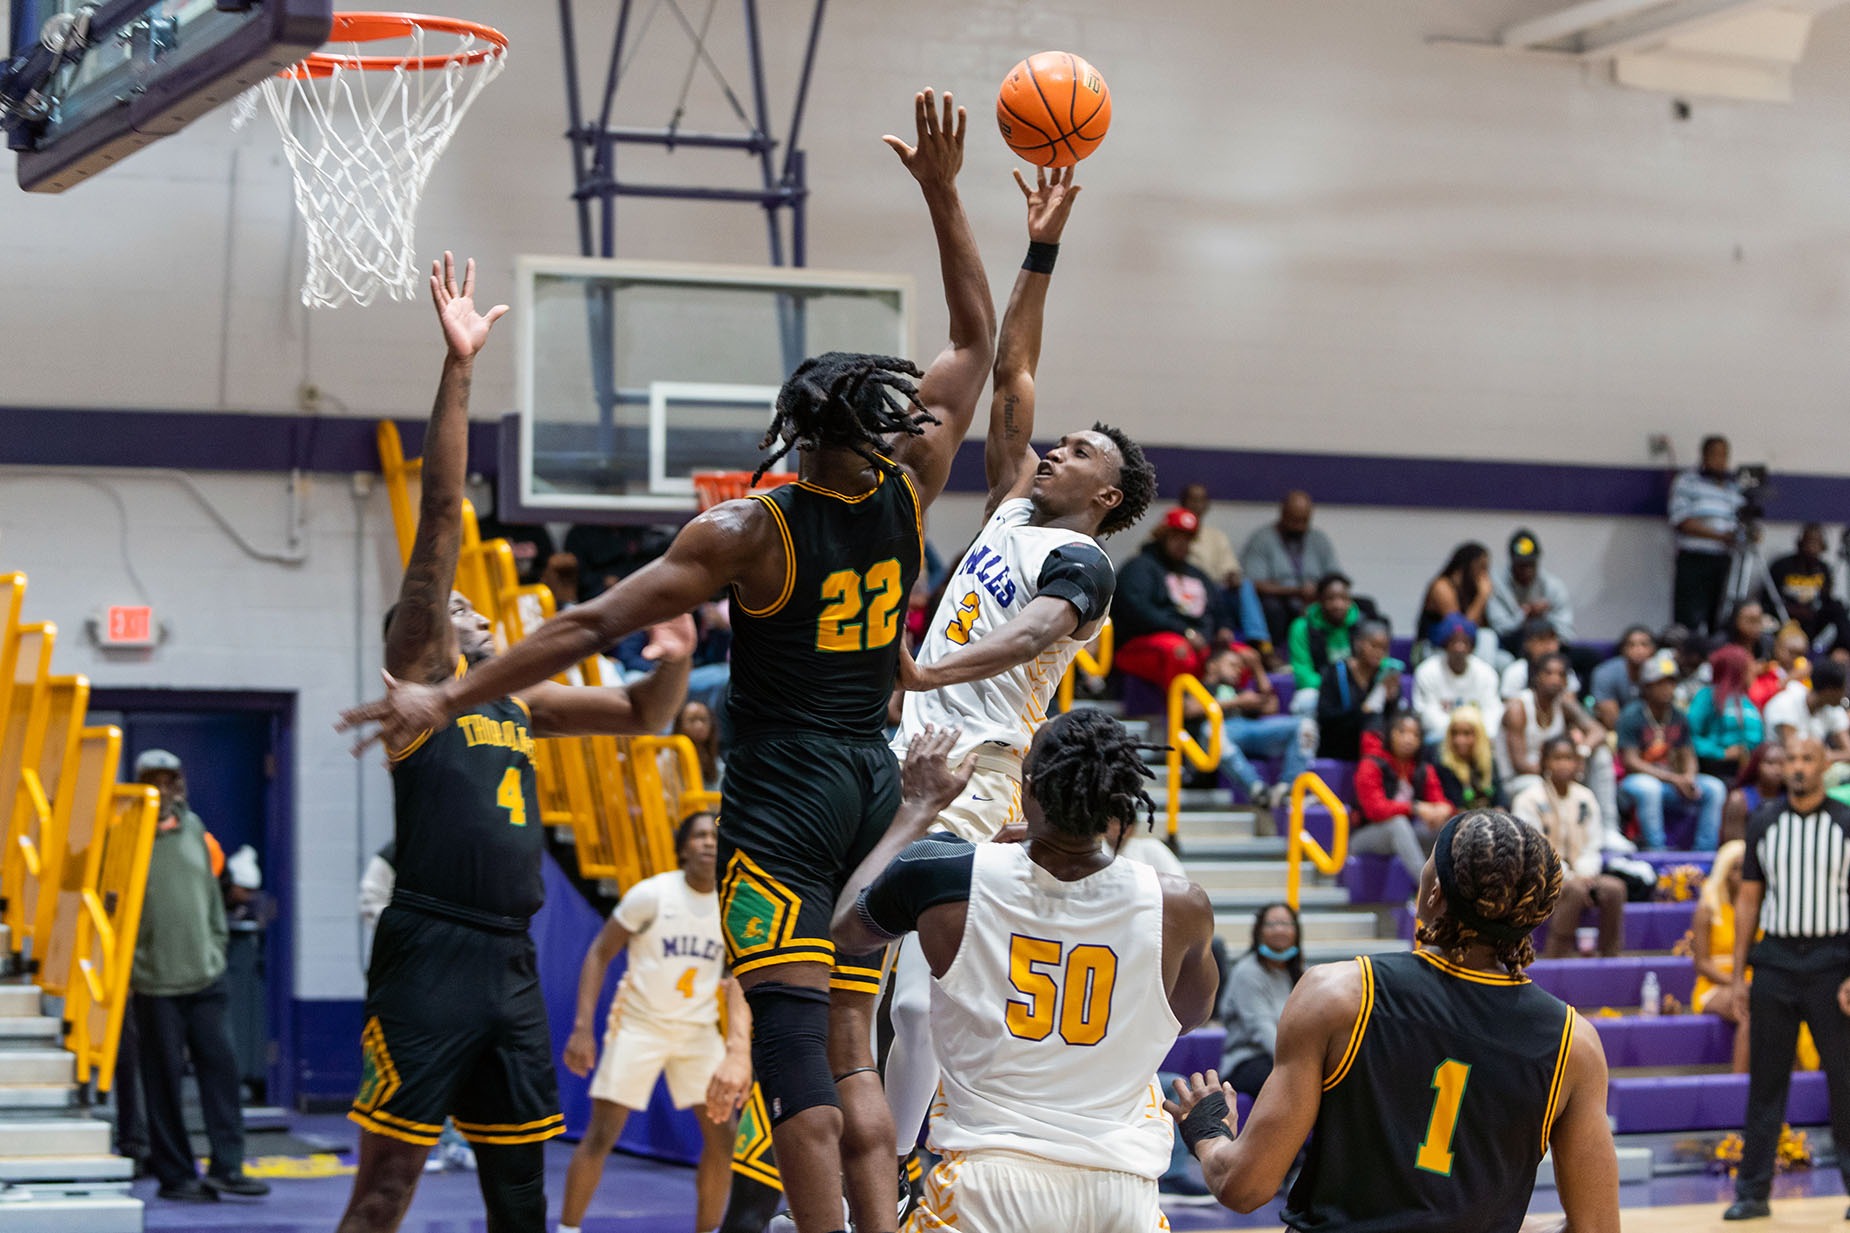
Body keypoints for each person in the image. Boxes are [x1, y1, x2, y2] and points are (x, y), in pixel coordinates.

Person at [340, 93, 995, 1233]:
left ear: (795, 429)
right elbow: (974, 342)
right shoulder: (911, 482)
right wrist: (944, 194)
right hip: (875, 780)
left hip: (786, 791)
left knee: (791, 1043)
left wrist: (447, 689)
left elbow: (588, 627)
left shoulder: (747, 529)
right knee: (854, 1038)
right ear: (879, 426)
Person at [330, 256, 695, 1233]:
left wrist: (672, 655)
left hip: (510, 960)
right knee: (384, 1192)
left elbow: (646, 720)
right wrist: (459, 371)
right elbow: (443, 519)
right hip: (430, 947)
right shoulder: (422, 687)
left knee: (519, 1199)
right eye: (445, 602)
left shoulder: (517, 705)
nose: (460, 601)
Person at [886, 161, 1150, 1209]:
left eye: (1077, 449)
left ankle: (901, 1165)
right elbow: (1014, 371)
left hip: (976, 775)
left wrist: (924, 666)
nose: (1054, 448)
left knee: (914, 1008)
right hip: (903, 742)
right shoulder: (1009, 503)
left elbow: (1029, 634)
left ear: (1108, 491)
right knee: (841, 954)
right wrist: (1039, 245)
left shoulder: (1080, 567)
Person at [829, 714, 1219, 1233]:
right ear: (1119, 801)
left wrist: (916, 811)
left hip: (989, 1180)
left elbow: (845, 930)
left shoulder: (948, 875)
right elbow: (1187, 1016)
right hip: (1123, 1190)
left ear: (1027, 788)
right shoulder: (1181, 906)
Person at [1166, 809, 1620, 1233]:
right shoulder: (1573, 1044)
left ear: (1435, 891)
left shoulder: (1339, 994)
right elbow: (1597, 1228)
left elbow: (1244, 1187)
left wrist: (1208, 1133)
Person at [558, 814, 750, 1233]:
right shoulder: (652, 894)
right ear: (683, 847)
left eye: (714, 836)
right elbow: (599, 953)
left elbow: (738, 976)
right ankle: (569, 1228)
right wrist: (582, 1027)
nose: (707, 843)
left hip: (697, 1032)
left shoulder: (730, 903)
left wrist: (740, 1048)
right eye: (698, 836)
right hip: (640, 1025)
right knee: (602, 1132)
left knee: (723, 1138)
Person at [127, 749, 268, 1203]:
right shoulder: (123, 835)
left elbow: (215, 896)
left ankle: (228, 1166)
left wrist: (216, 946)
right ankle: (176, 1176)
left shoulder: (197, 831)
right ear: (140, 784)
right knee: (163, 1081)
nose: (164, 789)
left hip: (206, 976)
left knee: (221, 1074)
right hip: (153, 983)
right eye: (154, 780)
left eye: (171, 780)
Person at [1720, 737, 1850, 1222]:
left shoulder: (1845, 822)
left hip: (1833, 964)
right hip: (1774, 963)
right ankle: (1752, 1193)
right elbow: (1749, 900)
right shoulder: (1763, 822)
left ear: (1824, 767)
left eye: (1806, 759)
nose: (1796, 767)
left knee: (1846, 1081)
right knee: (1766, 1084)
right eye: (1790, 759)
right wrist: (1738, 976)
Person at [1512, 738, 1624, 958]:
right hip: (1542, 877)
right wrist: (1569, 876)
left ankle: (1610, 955)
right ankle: (1556, 957)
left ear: (1577, 763)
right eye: (1557, 758)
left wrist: (1584, 871)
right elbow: (1532, 850)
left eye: (1569, 758)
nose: (1563, 764)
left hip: (1583, 874)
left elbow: (1594, 843)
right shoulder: (1528, 799)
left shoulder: (1586, 797)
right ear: (1545, 763)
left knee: (1614, 889)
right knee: (1574, 890)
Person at [1617, 652, 1725, 851]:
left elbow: (1688, 754)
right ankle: (1657, 849)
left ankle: (1704, 851)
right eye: (1661, 683)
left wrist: (1689, 777)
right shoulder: (1632, 715)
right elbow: (1631, 762)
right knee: (1649, 788)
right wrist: (1674, 779)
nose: (1668, 689)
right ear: (1647, 687)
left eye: (1671, 683)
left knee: (1715, 788)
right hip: (1637, 782)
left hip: (1673, 782)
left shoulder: (1678, 716)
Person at [1112, 507, 1225, 693]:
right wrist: (1185, 632)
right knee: (1177, 650)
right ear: (1162, 536)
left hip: (1194, 639)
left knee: (1241, 655)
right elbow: (1138, 612)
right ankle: (1181, 709)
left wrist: (1213, 633)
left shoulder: (1197, 574)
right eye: (1176, 536)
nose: (1182, 543)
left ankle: (1224, 707)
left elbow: (1216, 611)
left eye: (1187, 538)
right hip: (1141, 643)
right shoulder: (1139, 567)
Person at [1501, 651, 1615, 827]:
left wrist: (1581, 752)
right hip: (1520, 779)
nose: (1555, 679)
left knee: (1601, 755)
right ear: (1536, 677)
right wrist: (1561, 771)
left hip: (1555, 773)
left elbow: (1598, 731)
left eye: (1561, 675)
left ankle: (1609, 828)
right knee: (1537, 787)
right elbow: (1520, 764)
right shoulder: (1518, 707)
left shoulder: (1563, 704)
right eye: (1548, 673)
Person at [1202, 644, 1314, 808]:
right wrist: (1238, 702)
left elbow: (1271, 706)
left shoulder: (1238, 690)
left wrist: (1257, 667)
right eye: (1232, 665)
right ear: (1212, 666)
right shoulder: (1193, 685)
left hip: (1248, 729)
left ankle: (1288, 790)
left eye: (1240, 667)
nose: (1238, 670)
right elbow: (1189, 708)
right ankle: (1258, 790)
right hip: (1221, 732)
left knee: (1305, 725)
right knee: (1210, 730)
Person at [1352, 714, 1450, 883]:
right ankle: (1428, 887)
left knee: (1449, 827)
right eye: (1402, 732)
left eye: (1415, 735)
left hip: (1406, 835)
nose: (1409, 739)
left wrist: (1443, 810)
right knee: (1398, 823)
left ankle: (1459, 886)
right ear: (1390, 734)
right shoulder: (1371, 764)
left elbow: (1439, 802)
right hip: (1364, 837)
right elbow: (1375, 810)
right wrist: (1414, 808)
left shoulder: (1422, 769)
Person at [1218, 904, 1303, 1098]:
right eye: (1272, 924)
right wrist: (1299, 1065)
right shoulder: (1247, 972)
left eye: (1285, 924)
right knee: (1287, 1081)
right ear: (1259, 931)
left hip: (1287, 1058)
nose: (1279, 930)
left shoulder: (1298, 973)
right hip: (1248, 1061)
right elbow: (1262, 1029)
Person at [1242, 490, 1343, 647]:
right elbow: (1253, 583)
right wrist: (1297, 591)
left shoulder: (1318, 539)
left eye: (1304, 521)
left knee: (1362, 606)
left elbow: (1336, 577)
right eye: (1294, 520)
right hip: (1280, 600)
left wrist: (1319, 594)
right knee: (1273, 608)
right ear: (1283, 514)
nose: (1299, 527)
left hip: (1317, 599)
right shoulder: (1262, 539)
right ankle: (1272, 655)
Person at [1669, 434, 1745, 633]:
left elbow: (1741, 521)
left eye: (1724, 455)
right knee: (1688, 615)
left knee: (1718, 615)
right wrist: (1720, 536)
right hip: (1694, 558)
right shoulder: (1688, 481)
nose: (1720, 460)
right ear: (1703, 455)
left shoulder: (1732, 487)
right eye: (1715, 454)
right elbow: (1682, 521)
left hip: (1723, 558)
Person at [1181, 482, 1268, 648]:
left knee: (1245, 586)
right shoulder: (1169, 531)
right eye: (1193, 500)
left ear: (1207, 505)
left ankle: (1260, 643)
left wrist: (1233, 577)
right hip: (1186, 590)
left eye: (1201, 500)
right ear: (1183, 502)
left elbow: (1230, 569)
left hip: (1215, 590)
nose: (1197, 505)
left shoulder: (1216, 536)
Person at [1691, 839, 1752, 1074]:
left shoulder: (1760, 907)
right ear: (1724, 871)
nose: (1742, 873)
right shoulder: (1708, 909)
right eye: (1736, 867)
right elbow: (1702, 964)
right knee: (1750, 1009)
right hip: (1714, 985)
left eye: (1747, 867)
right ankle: (1738, 1085)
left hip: (1750, 981)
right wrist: (1736, 983)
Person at [1315, 619, 1402, 762]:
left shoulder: (1386, 677)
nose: (1379, 652)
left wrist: (1391, 700)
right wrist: (1364, 710)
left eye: (1384, 648)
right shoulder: (1335, 672)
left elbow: (1391, 720)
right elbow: (1325, 717)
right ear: (1358, 643)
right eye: (1373, 646)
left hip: (1374, 745)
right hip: (1338, 742)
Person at [1412, 614, 1503, 748]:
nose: (1459, 648)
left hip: (1478, 737)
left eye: (1465, 642)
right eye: (1454, 642)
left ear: (1472, 646)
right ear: (1445, 645)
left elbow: (1492, 712)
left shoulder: (1486, 673)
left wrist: (1474, 734)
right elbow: (1426, 714)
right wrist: (1459, 733)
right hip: (1441, 737)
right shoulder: (1427, 671)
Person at [1487, 528, 1577, 651]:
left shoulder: (1553, 586)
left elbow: (1568, 632)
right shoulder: (1497, 585)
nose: (1527, 571)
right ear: (1511, 561)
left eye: (1531, 564)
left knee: (1588, 657)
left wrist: (1543, 622)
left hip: (1551, 648)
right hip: (1512, 646)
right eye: (1522, 565)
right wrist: (1524, 616)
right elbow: (1500, 630)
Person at [1688, 645, 1764, 783]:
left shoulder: (1748, 700)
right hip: (1716, 771)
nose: (1754, 671)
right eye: (1749, 667)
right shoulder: (1707, 697)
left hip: (1748, 770)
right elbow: (1689, 736)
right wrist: (1720, 753)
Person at [1761, 659, 1850, 774]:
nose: (1844, 695)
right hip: (1779, 769)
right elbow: (1797, 755)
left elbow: (1848, 751)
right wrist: (1826, 755)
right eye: (1842, 690)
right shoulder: (1786, 702)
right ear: (1829, 691)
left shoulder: (1832, 707)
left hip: (1812, 767)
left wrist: (1826, 755)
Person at [1285, 573, 1358, 708]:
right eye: (1331, 598)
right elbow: (1303, 675)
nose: (1338, 604)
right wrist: (1335, 686)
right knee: (1306, 700)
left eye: (1343, 598)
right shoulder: (1302, 627)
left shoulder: (1362, 625)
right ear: (1319, 601)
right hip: (1319, 689)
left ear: (1350, 600)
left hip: (1357, 690)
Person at [1768, 523, 1844, 644]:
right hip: (1785, 616)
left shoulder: (1823, 569)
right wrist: (1791, 610)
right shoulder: (1781, 566)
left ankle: (1842, 650)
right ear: (1800, 543)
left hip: (1813, 620)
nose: (1811, 547)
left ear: (1823, 546)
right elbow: (1769, 599)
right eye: (1809, 542)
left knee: (1838, 608)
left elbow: (1826, 600)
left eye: (1816, 543)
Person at [1415, 542, 1493, 661]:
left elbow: (1480, 628)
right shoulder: (1441, 586)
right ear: (1468, 565)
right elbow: (1459, 629)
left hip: (1464, 649)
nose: (1485, 575)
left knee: (1495, 648)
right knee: (1486, 638)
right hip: (1432, 647)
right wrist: (1482, 597)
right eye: (1482, 568)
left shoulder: (1471, 591)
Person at [1433, 706, 1500, 812]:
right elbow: (1456, 808)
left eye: (1466, 733)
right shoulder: (1444, 766)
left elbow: (1501, 801)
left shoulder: (1489, 762)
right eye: (1455, 733)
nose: (1459, 740)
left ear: (1479, 735)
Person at [1590, 625, 1656, 730]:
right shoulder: (1605, 673)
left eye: (1644, 645)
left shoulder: (1661, 675)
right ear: (1623, 649)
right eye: (1632, 645)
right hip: (1615, 732)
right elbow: (1612, 722)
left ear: (1653, 649)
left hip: (1652, 732)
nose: (1638, 650)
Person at [1496, 616, 1579, 699]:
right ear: (1527, 644)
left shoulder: (1565, 671)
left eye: (1552, 640)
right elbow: (1509, 706)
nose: (1549, 647)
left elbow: (1570, 701)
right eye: (1542, 640)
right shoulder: (1516, 671)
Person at [1722, 742, 1787, 849]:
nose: (1777, 770)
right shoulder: (1739, 799)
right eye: (1770, 763)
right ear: (1757, 765)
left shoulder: (1791, 797)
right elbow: (1734, 847)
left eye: (1782, 764)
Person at [1749, 624, 1809, 710]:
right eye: (1792, 652)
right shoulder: (1766, 670)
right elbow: (1758, 698)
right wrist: (1790, 678)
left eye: (1800, 654)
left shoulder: (1804, 675)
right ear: (1778, 648)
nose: (1796, 658)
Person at [675, 700, 724, 785]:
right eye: (692, 720)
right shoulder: (669, 758)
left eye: (703, 719)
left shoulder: (718, 764)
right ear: (680, 725)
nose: (699, 725)